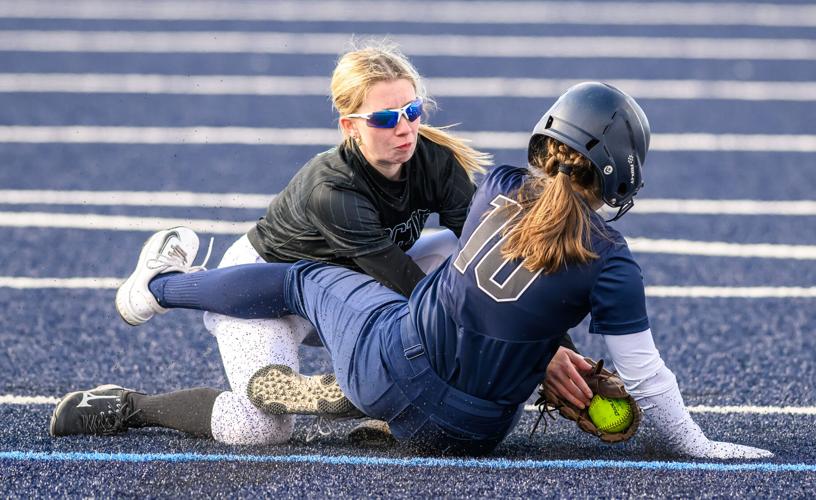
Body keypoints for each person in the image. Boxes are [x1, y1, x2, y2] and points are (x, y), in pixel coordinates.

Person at [52, 82, 772, 458]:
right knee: (359, 284)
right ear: (620, 172)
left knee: (307, 286)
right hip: (475, 433)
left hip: (392, 362)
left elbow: (480, 275)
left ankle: (164, 290)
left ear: (547, 139)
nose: (403, 129)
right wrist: (693, 443)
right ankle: (164, 289)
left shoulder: (496, 186)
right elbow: (644, 376)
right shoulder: (614, 264)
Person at [49, 43, 589, 446]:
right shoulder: (332, 188)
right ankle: (132, 402)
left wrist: (558, 344)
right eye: (383, 118)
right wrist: (520, 349)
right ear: (349, 126)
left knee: (458, 253)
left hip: (346, 293)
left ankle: (366, 398)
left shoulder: (433, 161)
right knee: (257, 428)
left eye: (412, 112)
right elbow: (405, 285)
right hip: (261, 293)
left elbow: (498, 254)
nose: (403, 129)